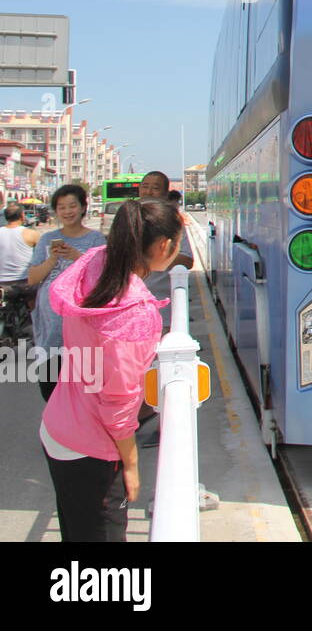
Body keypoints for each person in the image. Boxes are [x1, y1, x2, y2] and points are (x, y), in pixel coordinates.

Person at [40, 199, 180, 542]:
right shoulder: (135, 315)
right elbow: (117, 405)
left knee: (75, 532)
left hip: (59, 426)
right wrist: (131, 464)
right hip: (90, 446)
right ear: (163, 245)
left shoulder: (95, 263)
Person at [27, 185, 107, 400]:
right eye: (61, 207)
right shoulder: (46, 240)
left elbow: (103, 279)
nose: (67, 211)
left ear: (83, 208)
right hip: (50, 328)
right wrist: (52, 259)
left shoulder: (96, 240)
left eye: (72, 205)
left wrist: (76, 256)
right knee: (51, 393)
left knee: (84, 394)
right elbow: (33, 278)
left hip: (83, 330)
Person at [137, 171, 193, 301]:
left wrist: (155, 257)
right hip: (129, 302)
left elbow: (187, 260)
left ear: (165, 194)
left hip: (162, 301)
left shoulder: (173, 221)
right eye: (145, 186)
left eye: (155, 188)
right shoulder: (127, 217)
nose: (149, 191)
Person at [0, 204, 41, 343]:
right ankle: (38, 333)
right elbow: (43, 255)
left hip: (2, 286)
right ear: (22, 216)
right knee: (37, 306)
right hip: (26, 284)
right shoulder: (30, 233)